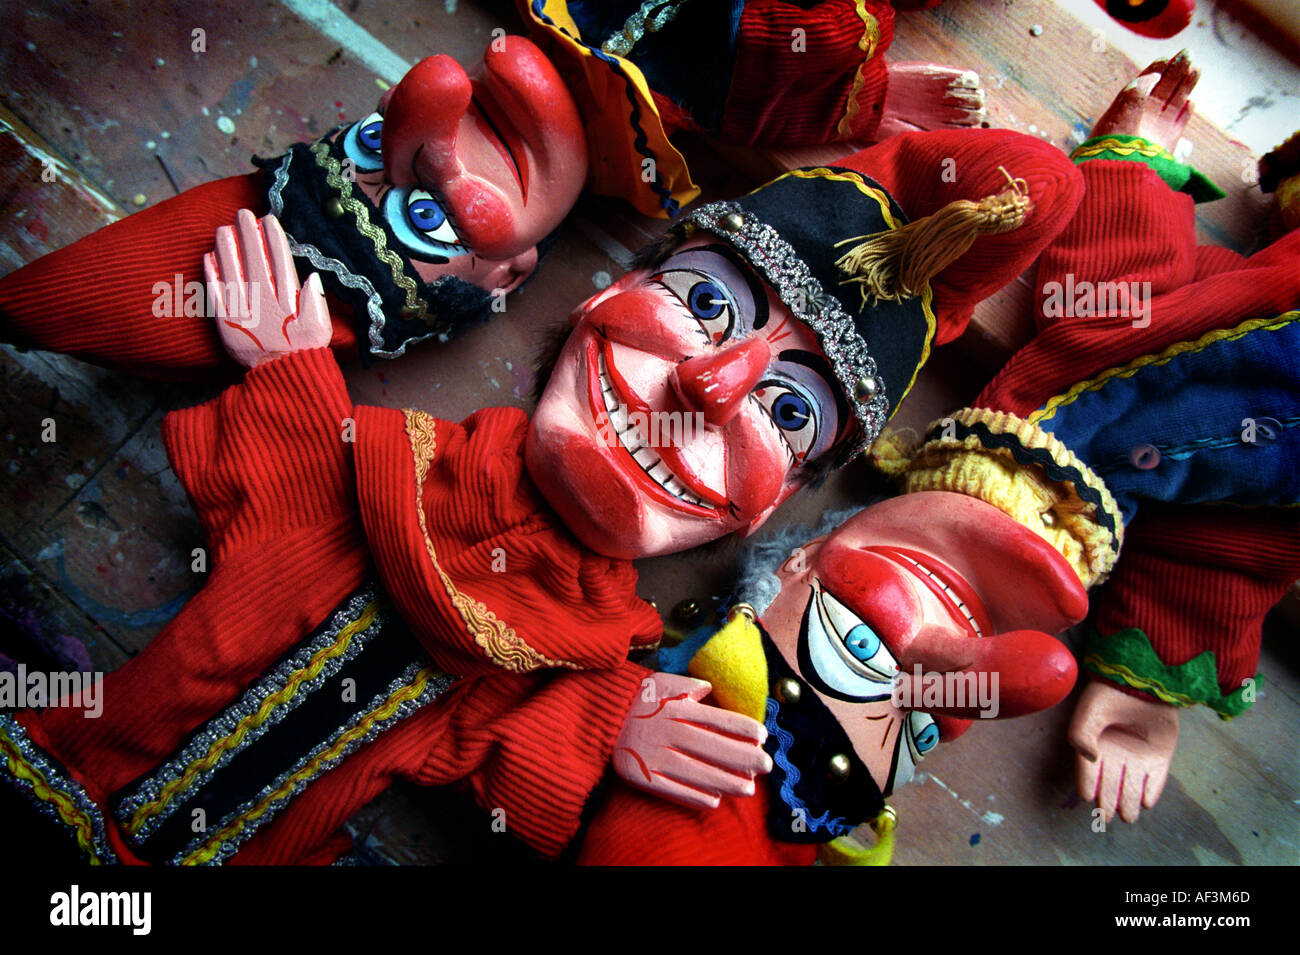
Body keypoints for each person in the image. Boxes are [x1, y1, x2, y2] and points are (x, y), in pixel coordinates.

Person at [0, 127, 1084, 864]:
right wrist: (287, 368)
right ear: (605, 298)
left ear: (770, 513)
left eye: (788, 412)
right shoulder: (387, 472)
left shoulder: (575, 656)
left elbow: (491, 748)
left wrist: (608, 722)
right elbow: (282, 497)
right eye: (706, 302)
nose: (712, 384)